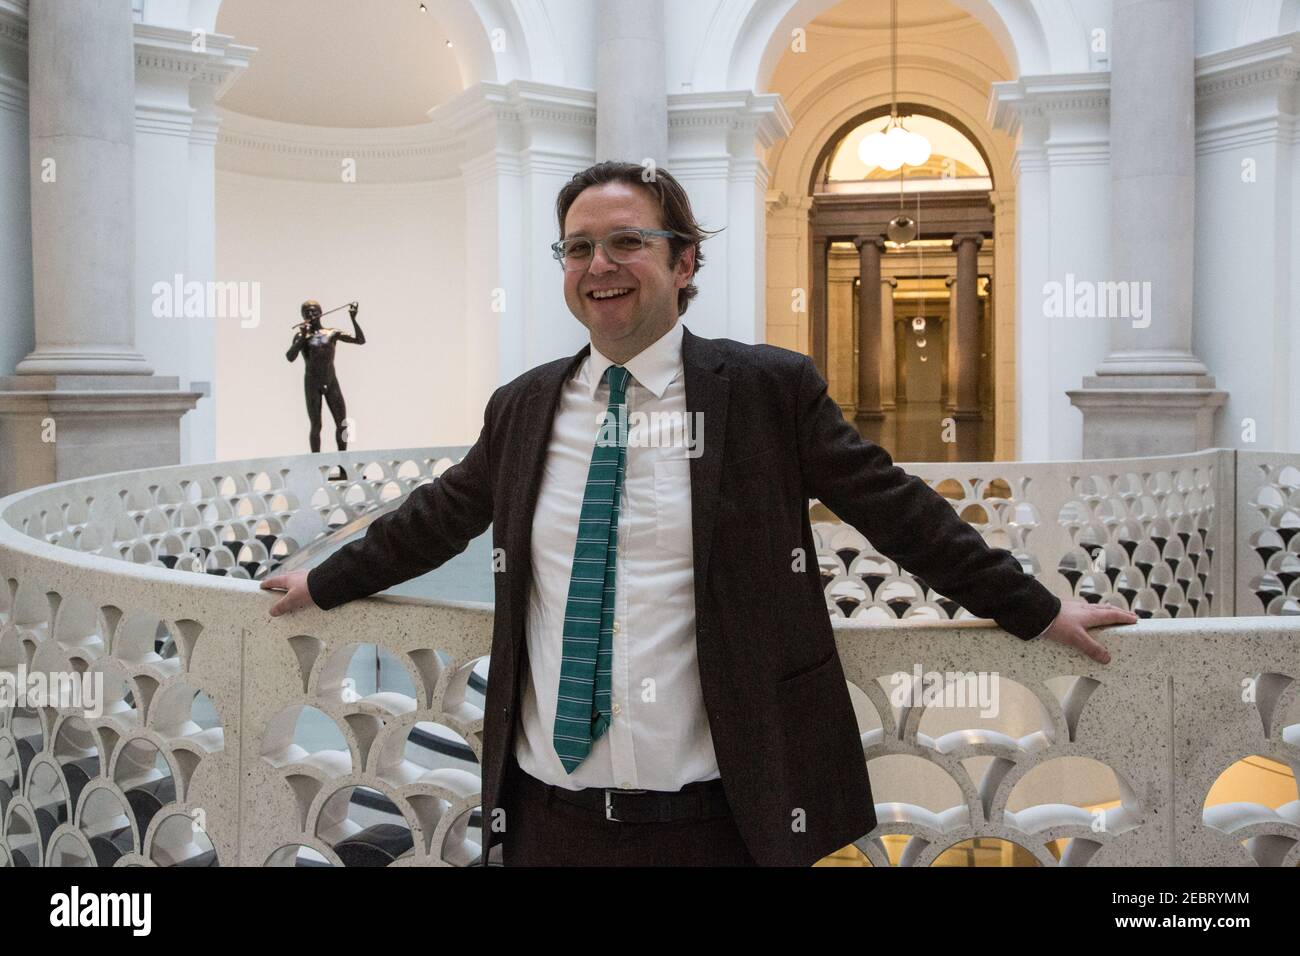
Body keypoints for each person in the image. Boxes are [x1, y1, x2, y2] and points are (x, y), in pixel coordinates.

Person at [261, 161, 1137, 867]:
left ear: (683, 265)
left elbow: (895, 508)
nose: (598, 266)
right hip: (544, 821)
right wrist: (325, 576)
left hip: (724, 821)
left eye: (626, 242)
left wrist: (1036, 607)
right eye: (576, 248)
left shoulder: (764, 391)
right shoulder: (526, 405)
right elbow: (441, 514)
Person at [286, 300, 365, 453]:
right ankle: (316, 461)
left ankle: (343, 460)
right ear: (303, 316)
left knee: (341, 422)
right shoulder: (301, 336)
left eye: (314, 311)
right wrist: (302, 337)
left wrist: (353, 319)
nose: (311, 314)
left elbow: (360, 340)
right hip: (312, 384)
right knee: (316, 425)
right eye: (307, 312)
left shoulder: (332, 333)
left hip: (331, 381)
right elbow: (290, 357)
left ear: (320, 313)